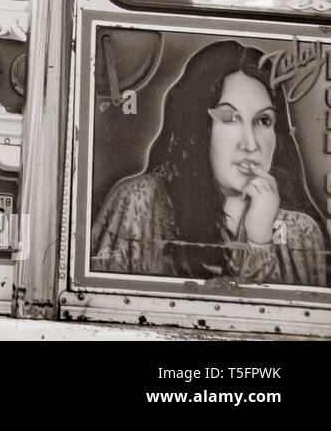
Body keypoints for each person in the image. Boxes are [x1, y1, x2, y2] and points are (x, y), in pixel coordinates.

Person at [91, 40, 327, 286]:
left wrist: (260, 241)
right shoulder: (138, 200)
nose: (250, 144)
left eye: (263, 121)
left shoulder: (301, 232)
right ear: (197, 129)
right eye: (229, 118)